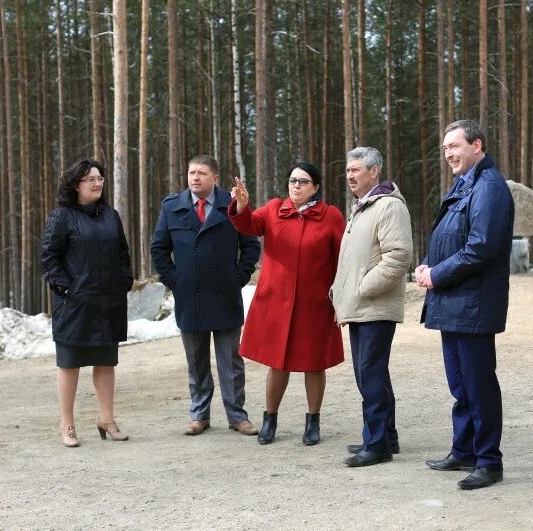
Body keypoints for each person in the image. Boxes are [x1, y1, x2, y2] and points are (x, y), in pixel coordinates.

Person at [416, 119, 514, 490]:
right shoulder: (463, 184)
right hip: (453, 302)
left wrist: (437, 274)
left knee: (478, 385)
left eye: (454, 146)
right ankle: (465, 450)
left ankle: (488, 461)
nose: (448, 154)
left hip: (473, 304)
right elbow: (450, 236)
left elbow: (480, 247)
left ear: (477, 145)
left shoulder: (488, 186)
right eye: (444, 149)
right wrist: (428, 264)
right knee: (461, 386)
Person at [228, 162, 345, 445]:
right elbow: (248, 225)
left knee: (314, 363)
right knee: (277, 362)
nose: (296, 186)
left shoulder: (331, 216)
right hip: (277, 303)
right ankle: (270, 419)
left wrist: (339, 295)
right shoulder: (273, 209)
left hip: (315, 305)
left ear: (316, 187)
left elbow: (343, 257)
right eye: (293, 180)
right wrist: (241, 205)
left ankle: (313, 421)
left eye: (303, 182)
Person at [151, 155, 261, 437]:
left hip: (225, 294)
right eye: (191, 173)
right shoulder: (172, 207)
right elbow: (159, 249)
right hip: (190, 296)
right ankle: (199, 415)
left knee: (231, 361)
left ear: (215, 178)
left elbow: (250, 245)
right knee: (196, 360)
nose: (195, 178)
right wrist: (175, 280)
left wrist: (238, 277)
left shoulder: (232, 205)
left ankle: (237, 416)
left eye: (201, 173)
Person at [40, 158, 134, 447]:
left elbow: (122, 253)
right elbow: (49, 258)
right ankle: (67, 425)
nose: (97, 183)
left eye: (100, 178)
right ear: (75, 185)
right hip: (75, 304)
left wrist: (124, 280)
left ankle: (107, 419)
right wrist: (69, 290)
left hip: (108, 302)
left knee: (106, 362)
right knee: (70, 364)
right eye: (90, 179)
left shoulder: (110, 215)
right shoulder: (62, 217)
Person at [330, 147, 413, 467]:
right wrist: (341, 291)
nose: (349, 176)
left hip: (374, 306)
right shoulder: (363, 207)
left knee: (370, 375)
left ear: (374, 171)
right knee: (373, 374)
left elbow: (398, 256)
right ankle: (385, 436)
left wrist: (363, 288)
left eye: (356, 170)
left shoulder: (388, 206)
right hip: (362, 306)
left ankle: (377, 444)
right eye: (347, 170)